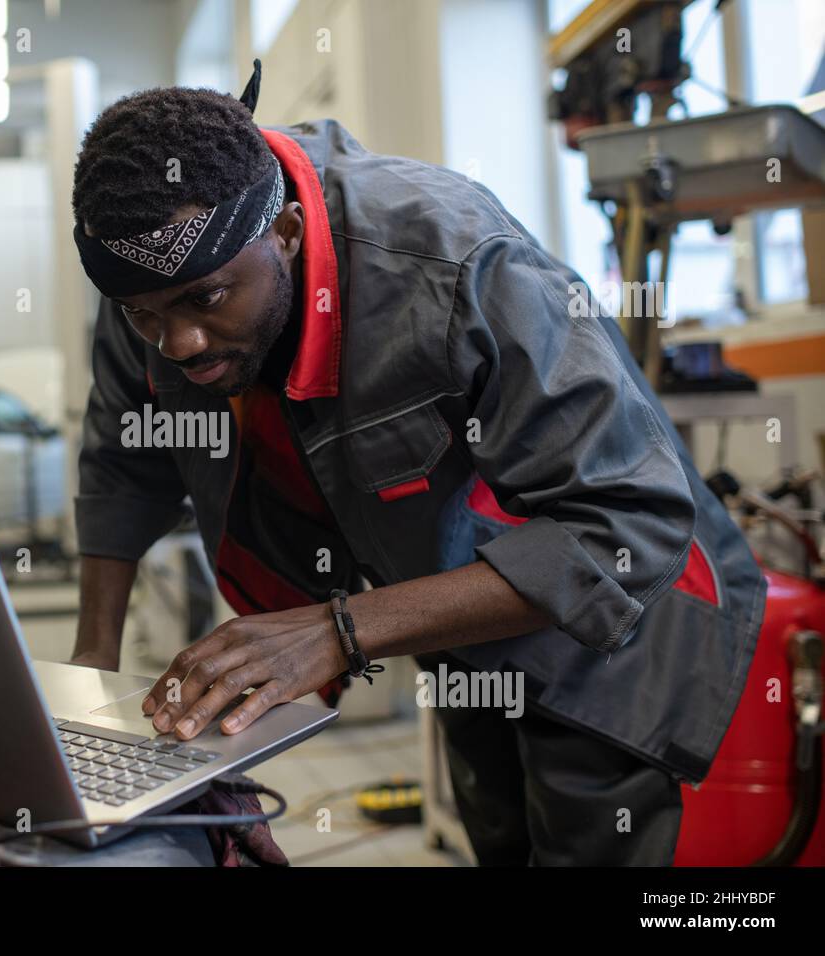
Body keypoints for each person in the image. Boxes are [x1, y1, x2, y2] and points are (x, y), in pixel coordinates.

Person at [66, 66, 764, 865]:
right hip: (452, 605)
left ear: (287, 233)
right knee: (498, 837)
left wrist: (341, 632)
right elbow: (124, 460)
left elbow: (624, 527)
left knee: (583, 834)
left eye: (207, 301)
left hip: (609, 624)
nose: (177, 342)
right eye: (145, 317)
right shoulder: (149, 264)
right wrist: (92, 679)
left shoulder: (451, 260)